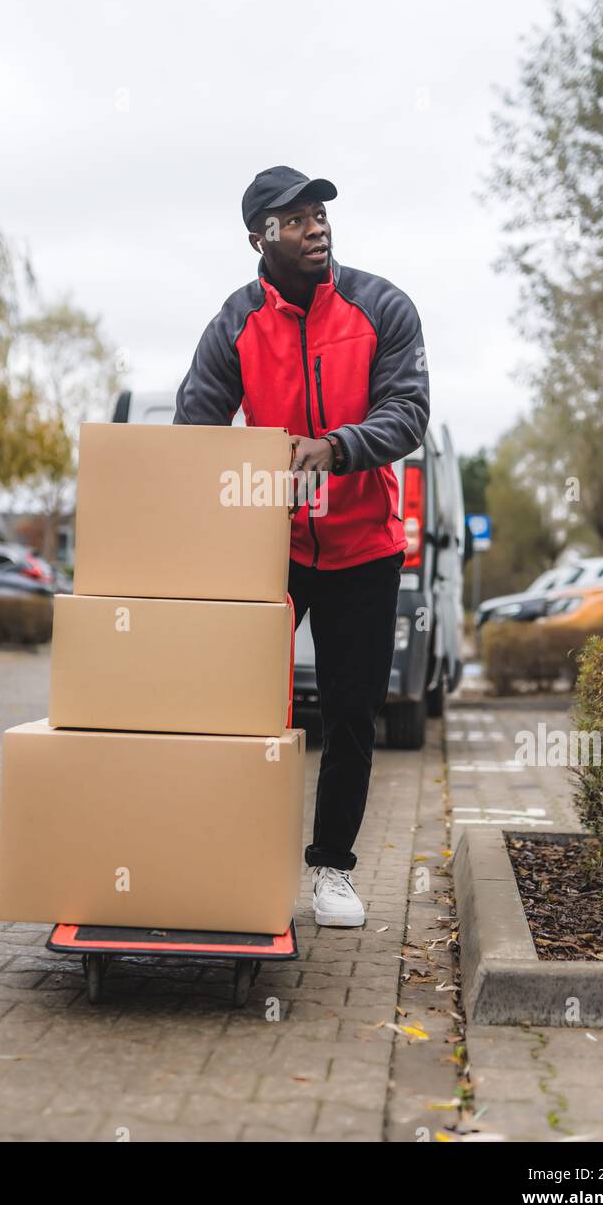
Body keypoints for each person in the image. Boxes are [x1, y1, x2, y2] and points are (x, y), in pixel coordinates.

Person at [173, 166, 430, 926]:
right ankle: (227, 857)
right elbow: (196, 428)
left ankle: (332, 872)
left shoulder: (381, 306)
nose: (316, 226)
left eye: (319, 213)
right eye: (295, 219)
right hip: (269, 550)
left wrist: (337, 448)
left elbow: (408, 411)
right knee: (239, 706)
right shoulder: (236, 323)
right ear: (260, 237)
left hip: (364, 547)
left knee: (352, 713)